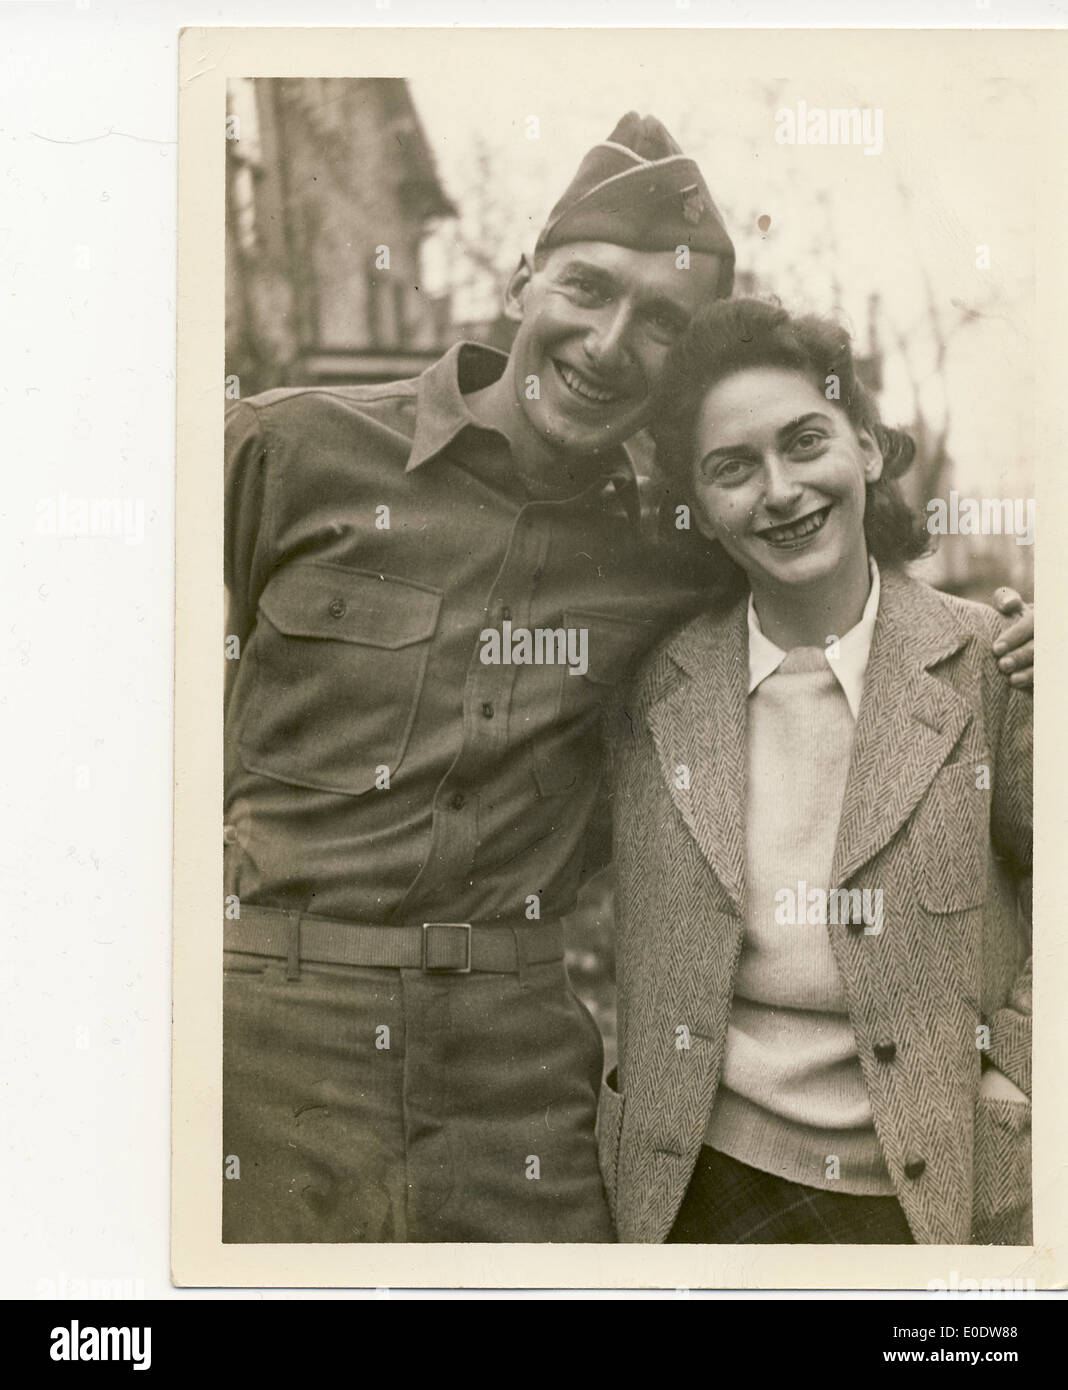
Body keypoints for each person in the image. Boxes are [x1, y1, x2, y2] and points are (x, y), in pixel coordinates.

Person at [223, 115, 1034, 1244]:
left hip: (512, 1068)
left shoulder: (673, 559)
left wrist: (1014, 637)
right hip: (262, 1032)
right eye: (588, 287)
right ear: (520, 280)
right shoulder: (282, 451)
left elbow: (829, 575)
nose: (609, 343)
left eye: (662, 323)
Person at [601, 297, 1032, 1245]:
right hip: (699, 1186)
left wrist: (1022, 1070)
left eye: (806, 443)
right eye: (732, 470)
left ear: (868, 448)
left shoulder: (994, 666)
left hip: (930, 1192)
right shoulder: (647, 689)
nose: (780, 491)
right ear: (703, 513)